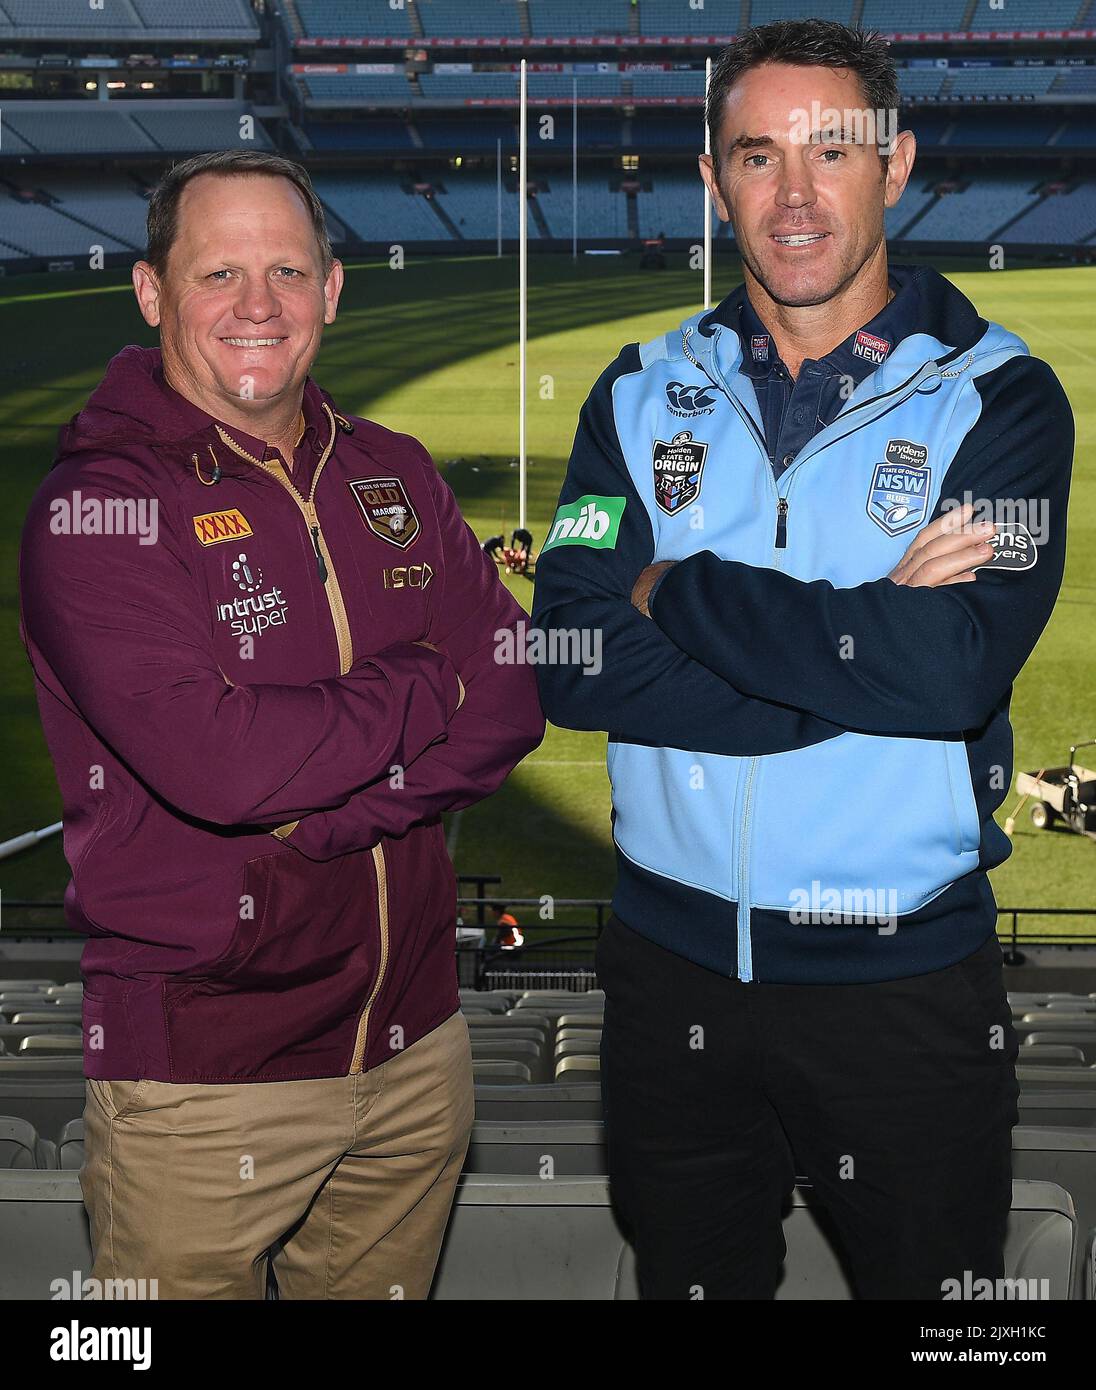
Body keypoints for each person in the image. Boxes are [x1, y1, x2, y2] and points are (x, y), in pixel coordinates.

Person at [532, 19, 1073, 1300]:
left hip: (902, 985)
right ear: (713, 181)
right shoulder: (633, 392)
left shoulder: (999, 401)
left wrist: (672, 588)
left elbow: (947, 672)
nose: (792, 195)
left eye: (831, 152)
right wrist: (847, 656)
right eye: (755, 155)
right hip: (669, 977)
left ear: (896, 165)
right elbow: (560, 653)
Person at [19, 149, 544, 1299]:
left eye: (288, 273)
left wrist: (328, 818)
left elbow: (508, 690)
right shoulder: (98, 506)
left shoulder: (391, 469)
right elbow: (220, 765)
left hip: (414, 1051)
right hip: (204, 1078)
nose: (258, 307)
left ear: (333, 290)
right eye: (219, 274)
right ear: (154, 293)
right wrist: (422, 685)